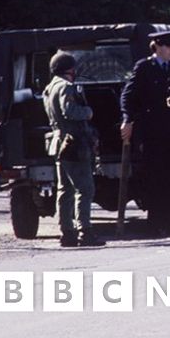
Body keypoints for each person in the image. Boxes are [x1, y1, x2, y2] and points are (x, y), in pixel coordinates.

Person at [120, 30, 170, 238]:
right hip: (153, 132)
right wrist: (128, 119)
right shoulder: (145, 67)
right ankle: (155, 223)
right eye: (169, 47)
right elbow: (128, 96)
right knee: (156, 178)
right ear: (158, 47)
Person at [43, 51, 105, 247]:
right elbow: (69, 111)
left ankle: (66, 232)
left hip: (59, 143)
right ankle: (85, 231)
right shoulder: (66, 87)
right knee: (85, 189)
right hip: (74, 143)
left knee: (65, 190)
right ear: (69, 69)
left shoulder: (49, 87)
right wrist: (88, 112)